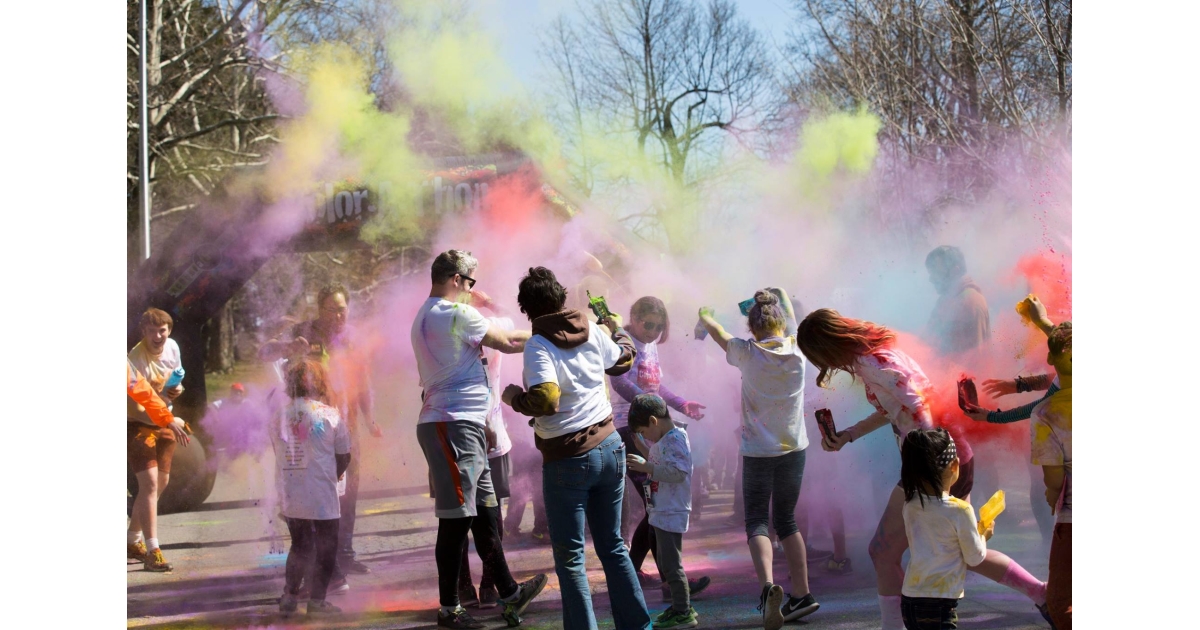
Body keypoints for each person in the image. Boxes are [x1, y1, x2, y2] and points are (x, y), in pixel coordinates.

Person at [796, 308, 1049, 630]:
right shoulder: (877, 357)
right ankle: (1041, 593)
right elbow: (896, 408)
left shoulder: (874, 363)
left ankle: (895, 626)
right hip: (943, 460)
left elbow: (918, 405)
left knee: (885, 551)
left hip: (932, 467)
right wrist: (849, 435)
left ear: (824, 347)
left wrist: (928, 469)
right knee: (966, 551)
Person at [501, 266, 652, 630]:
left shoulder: (538, 344)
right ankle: (638, 626)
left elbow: (547, 398)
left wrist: (515, 398)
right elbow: (625, 360)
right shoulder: (590, 327)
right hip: (610, 447)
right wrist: (616, 327)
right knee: (613, 545)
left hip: (569, 459)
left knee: (570, 559)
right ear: (561, 296)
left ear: (527, 309)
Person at [411, 250, 547, 629]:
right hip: (452, 424)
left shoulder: (428, 314)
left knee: (486, 512)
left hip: (463, 424)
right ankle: (450, 608)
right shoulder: (454, 312)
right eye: (470, 283)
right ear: (456, 279)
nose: (472, 290)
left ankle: (508, 592)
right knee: (456, 518)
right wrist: (552, 332)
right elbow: (505, 340)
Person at [698, 289, 820, 630]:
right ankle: (803, 593)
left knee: (756, 521)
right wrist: (775, 294)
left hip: (757, 452)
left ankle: (768, 589)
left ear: (752, 328)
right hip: (794, 449)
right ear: (782, 320)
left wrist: (705, 315)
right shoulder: (798, 348)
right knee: (787, 521)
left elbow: (719, 333)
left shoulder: (746, 352)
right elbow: (789, 309)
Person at [259, 284, 382, 579]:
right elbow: (264, 352)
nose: (338, 315)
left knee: (348, 488)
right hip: (312, 427)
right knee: (317, 489)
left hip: (346, 421)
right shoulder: (303, 331)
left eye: (343, 309)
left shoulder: (353, 338)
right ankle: (315, 557)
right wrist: (288, 349)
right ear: (319, 310)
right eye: (332, 309)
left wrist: (370, 419)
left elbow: (363, 382)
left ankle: (345, 553)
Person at [609, 296, 708, 596]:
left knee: (656, 507)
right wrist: (651, 406)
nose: (652, 331)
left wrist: (680, 403)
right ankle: (668, 580)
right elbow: (619, 382)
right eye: (647, 324)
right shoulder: (622, 340)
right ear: (633, 318)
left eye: (658, 326)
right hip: (631, 429)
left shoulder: (650, 346)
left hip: (652, 428)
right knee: (657, 506)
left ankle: (632, 575)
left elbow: (657, 387)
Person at [273, 360, 352, 616]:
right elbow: (344, 455)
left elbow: (278, 453)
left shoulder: (278, 416)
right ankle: (317, 603)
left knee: (299, 545)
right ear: (319, 382)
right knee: (327, 546)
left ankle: (289, 596)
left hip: (291, 491)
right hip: (321, 492)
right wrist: (332, 475)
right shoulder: (330, 414)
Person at [898, 428, 992, 630]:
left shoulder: (911, 504)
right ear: (955, 465)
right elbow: (974, 557)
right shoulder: (961, 510)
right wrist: (983, 535)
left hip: (909, 599)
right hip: (940, 603)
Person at [458, 315, 517, 609]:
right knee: (458, 515)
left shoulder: (492, 331)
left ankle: (490, 582)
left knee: (493, 516)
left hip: (496, 444)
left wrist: (487, 305)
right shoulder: (447, 342)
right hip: (456, 442)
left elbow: (510, 323)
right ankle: (463, 585)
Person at [626, 395, 700, 629]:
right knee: (666, 561)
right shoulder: (665, 439)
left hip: (671, 511)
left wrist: (647, 466)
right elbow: (664, 463)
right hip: (661, 510)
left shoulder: (675, 439)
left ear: (653, 421)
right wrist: (645, 450)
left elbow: (678, 473)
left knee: (671, 565)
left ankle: (684, 611)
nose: (645, 436)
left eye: (643, 432)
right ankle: (681, 605)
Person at [127, 308, 192, 572]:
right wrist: (165, 407)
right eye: (152, 330)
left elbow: (176, 382)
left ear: (169, 331)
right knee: (150, 484)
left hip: (166, 420)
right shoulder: (133, 358)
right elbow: (141, 404)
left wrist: (176, 391)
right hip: (138, 424)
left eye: (162, 330)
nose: (158, 336)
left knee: (160, 483)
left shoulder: (173, 347)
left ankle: (132, 539)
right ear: (143, 332)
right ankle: (153, 550)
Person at [1030, 323, 1071, 630]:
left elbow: (1053, 480)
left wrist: (1049, 494)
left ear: (1050, 358)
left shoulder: (1046, 414)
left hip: (1073, 521)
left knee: (1061, 604)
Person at [924, 246, 990, 356]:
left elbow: (976, 358)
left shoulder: (971, 302)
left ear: (955, 270)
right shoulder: (945, 300)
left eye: (936, 272)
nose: (931, 279)